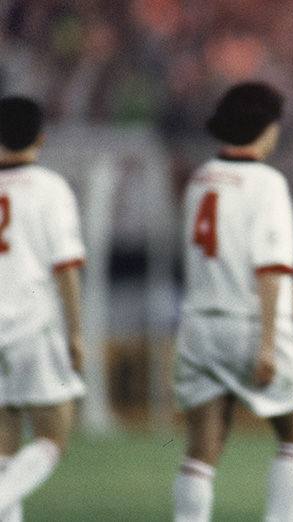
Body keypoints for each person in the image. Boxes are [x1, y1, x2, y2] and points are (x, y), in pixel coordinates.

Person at [172, 82, 293, 522]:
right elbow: (272, 266)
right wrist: (270, 342)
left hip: (198, 323)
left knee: (203, 445)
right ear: (267, 127)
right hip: (249, 322)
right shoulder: (267, 182)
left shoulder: (200, 178)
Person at [0, 96, 86, 521]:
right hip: (34, 324)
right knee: (53, 436)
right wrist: (76, 332)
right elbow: (66, 268)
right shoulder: (50, 188)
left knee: (3, 448)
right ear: (41, 137)